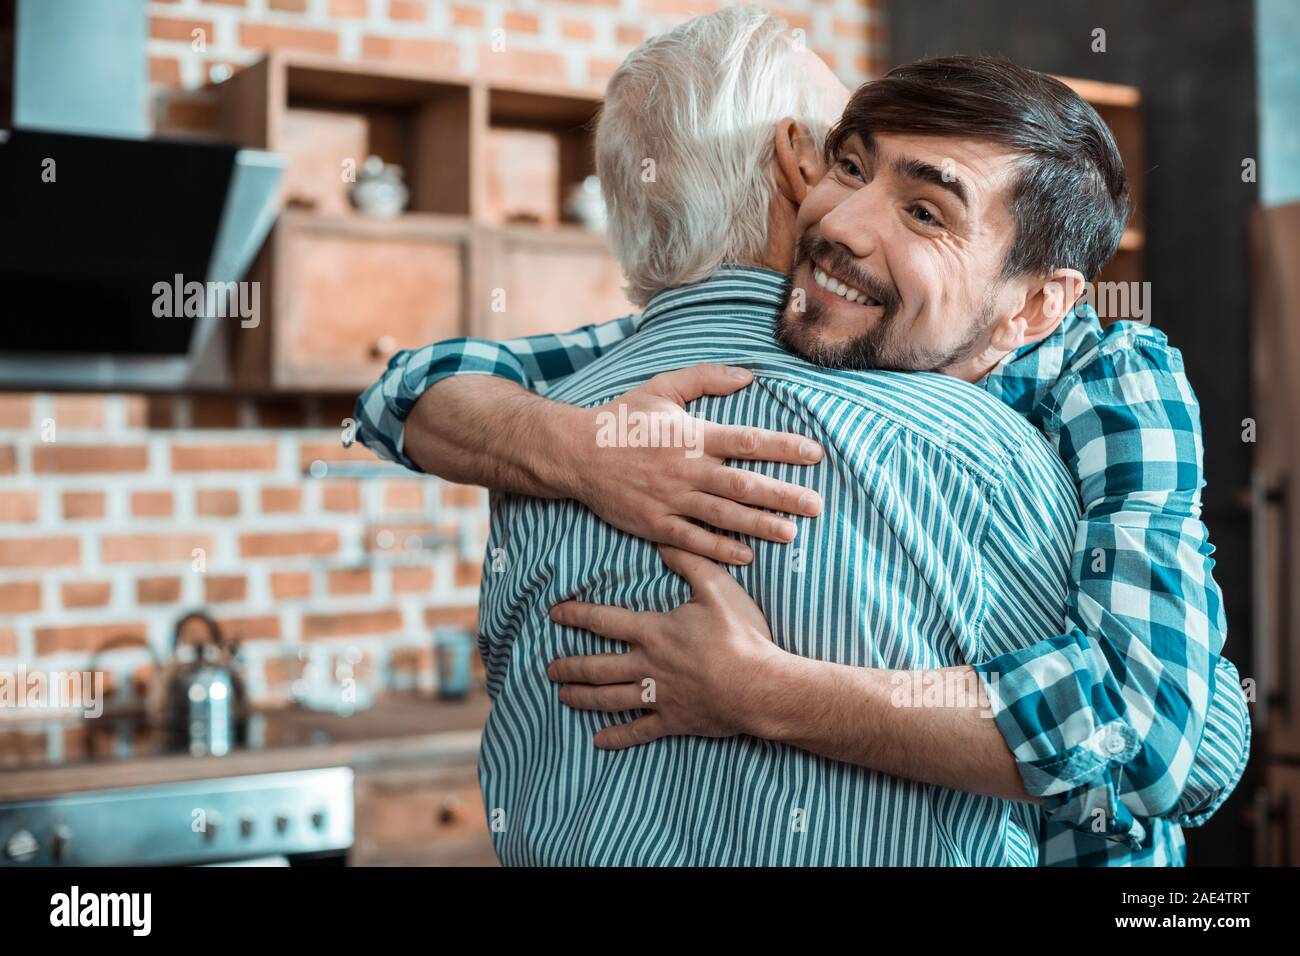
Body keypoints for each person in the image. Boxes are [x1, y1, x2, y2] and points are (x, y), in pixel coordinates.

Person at [356, 10, 1248, 865]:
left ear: (1036, 305)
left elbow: (1161, 739)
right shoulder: (714, 360)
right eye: (850, 166)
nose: (839, 222)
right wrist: (578, 449)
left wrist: (764, 690)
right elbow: (405, 391)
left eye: (928, 214)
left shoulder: (1105, 380)